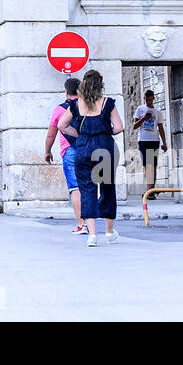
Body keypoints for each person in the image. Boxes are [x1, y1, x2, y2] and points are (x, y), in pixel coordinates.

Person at [57, 69, 124, 247]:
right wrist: (104, 131)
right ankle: (109, 233)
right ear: (100, 85)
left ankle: (92, 235)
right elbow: (118, 127)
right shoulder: (107, 103)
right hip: (104, 148)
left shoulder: (77, 104)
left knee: (87, 189)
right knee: (108, 188)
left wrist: (79, 135)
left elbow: (61, 125)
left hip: (84, 148)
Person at [44, 76, 87, 235]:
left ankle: (82, 224)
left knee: (75, 188)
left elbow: (51, 134)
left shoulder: (59, 109)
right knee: (87, 187)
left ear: (66, 91)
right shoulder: (86, 106)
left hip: (69, 151)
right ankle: (91, 222)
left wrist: (47, 151)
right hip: (87, 149)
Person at [132, 89, 169, 195]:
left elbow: (161, 128)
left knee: (153, 165)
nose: (149, 102)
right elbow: (134, 126)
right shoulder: (140, 109)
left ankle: (150, 191)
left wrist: (164, 142)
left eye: (151, 100)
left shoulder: (157, 112)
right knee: (148, 165)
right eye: (147, 100)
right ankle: (150, 191)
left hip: (154, 140)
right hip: (143, 140)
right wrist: (144, 118)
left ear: (153, 99)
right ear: (145, 99)